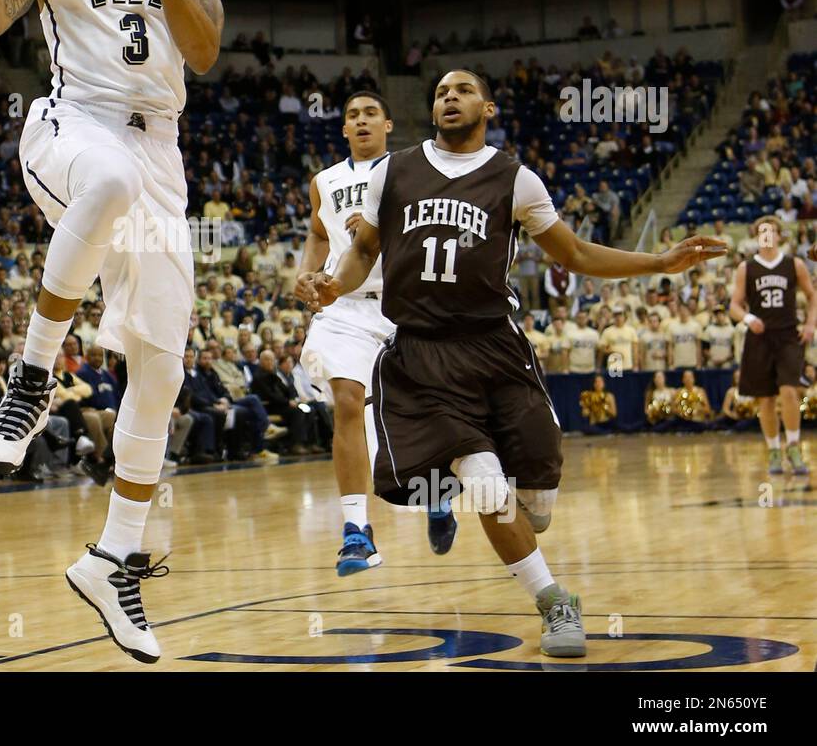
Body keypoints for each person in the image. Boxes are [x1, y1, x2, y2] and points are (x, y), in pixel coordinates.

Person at [310, 68, 725, 658]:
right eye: (441, 92)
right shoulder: (392, 171)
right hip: (424, 354)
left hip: (496, 348)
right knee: (483, 484)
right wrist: (333, 285)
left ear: (489, 108)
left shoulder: (516, 179)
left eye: (463, 91)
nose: (449, 98)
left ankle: (522, 514)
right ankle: (554, 601)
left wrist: (657, 262)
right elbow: (363, 251)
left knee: (536, 497)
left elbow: (574, 253)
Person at [0, 0, 224, 663]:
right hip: (73, 126)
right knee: (109, 182)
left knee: (162, 369)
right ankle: (30, 380)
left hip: (160, 151)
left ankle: (112, 559)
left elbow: (203, 51)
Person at [296, 90, 455, 576]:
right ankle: (356, 532)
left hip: (404, 304)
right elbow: (319, 233)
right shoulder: (324, 181)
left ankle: (436, 494)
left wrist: (383, 226)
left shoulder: (415, 170)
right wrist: (305, 272)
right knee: (346, 400)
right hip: (344, 306)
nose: (361, 121)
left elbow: (437, 233)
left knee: (421, 416)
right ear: (344, 128)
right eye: (352, 116)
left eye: (370, 114)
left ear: (388, 125)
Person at [733, 219, 811, 474]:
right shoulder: (746, 268)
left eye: (771, 231)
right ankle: (774, 450)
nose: (767, 235)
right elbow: (734, 305)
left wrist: (810, 324)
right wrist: (748, 318)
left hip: (787, 335)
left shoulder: (794, 264)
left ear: (779, 236)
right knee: (765, 399)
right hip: (760, 337)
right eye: (762, 232)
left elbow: (813, 295)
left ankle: (794, 447)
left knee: (789, 391)